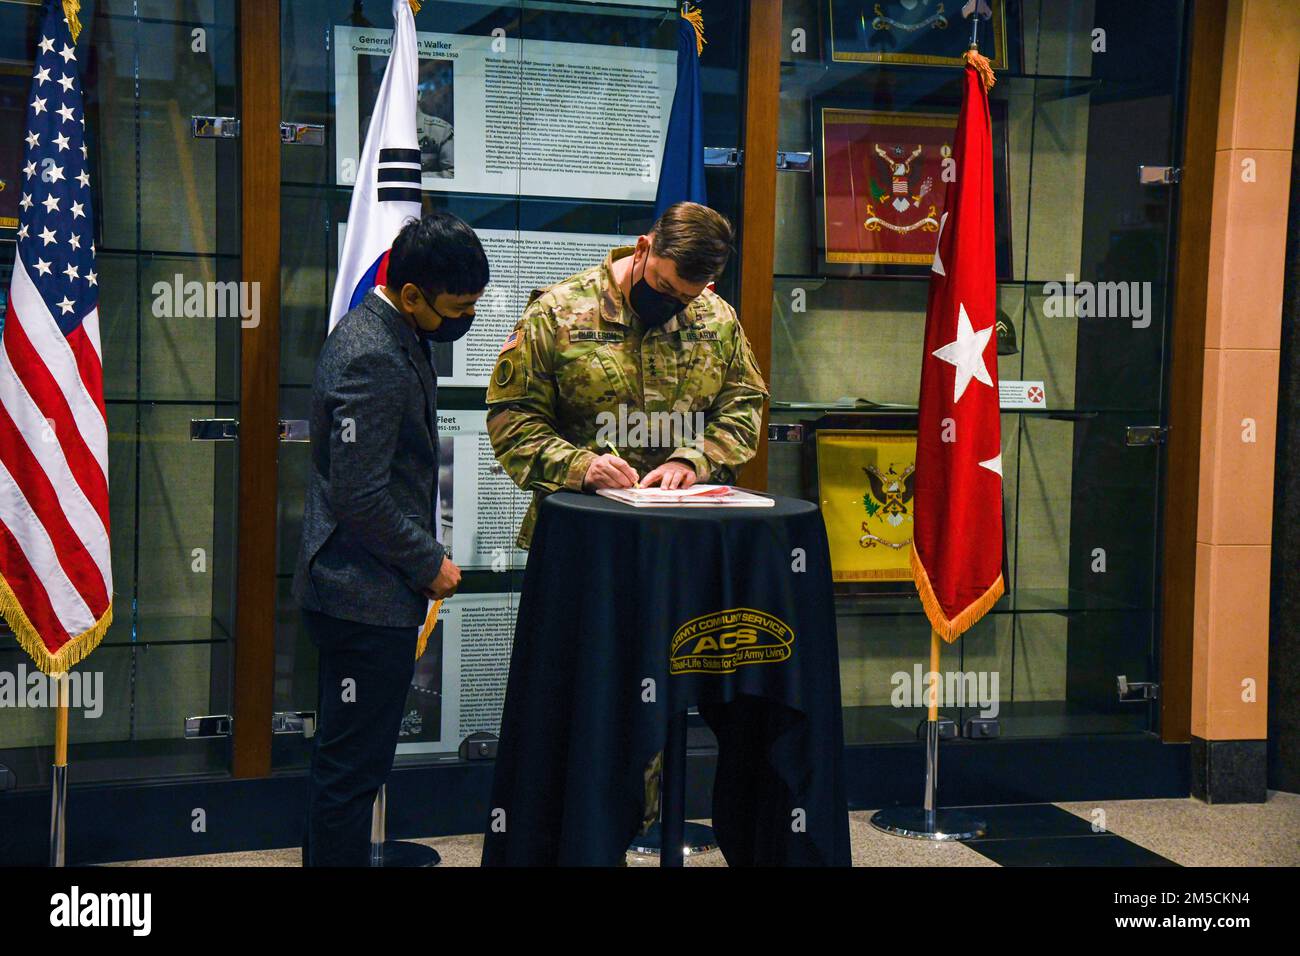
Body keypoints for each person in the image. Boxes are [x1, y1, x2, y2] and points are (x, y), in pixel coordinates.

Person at [293, 211, 487, 866]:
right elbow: (357, 493)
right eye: (458, 307)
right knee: (351, 773)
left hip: (365, 585)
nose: (465, 319)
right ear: (410, 294)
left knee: (352, 766)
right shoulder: (373, 353)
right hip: (362, 593)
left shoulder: (395, 330)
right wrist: (427, 560)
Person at [486, 201, 768, 549]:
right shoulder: (557, 313)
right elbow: (513, 419)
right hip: (582, 532)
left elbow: (742, 408)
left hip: (685, 537)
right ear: (642, 249)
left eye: (686, 297)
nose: (673, 302)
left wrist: (694, 461)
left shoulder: (716, 318)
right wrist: (580, 466)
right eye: (664, 287)